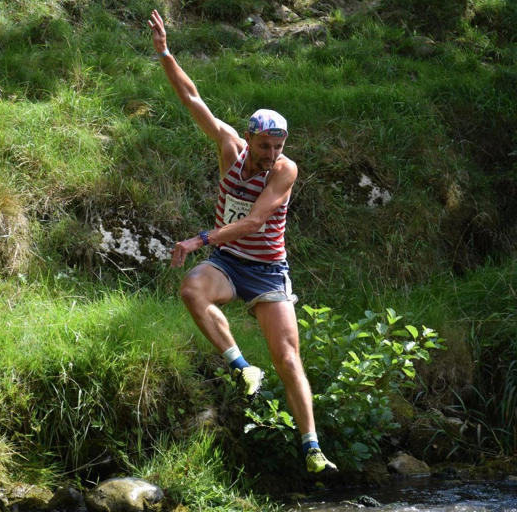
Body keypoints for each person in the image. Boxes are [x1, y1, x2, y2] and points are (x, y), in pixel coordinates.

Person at [148, 10, 337, 475]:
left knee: (289, 358)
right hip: (229, 263)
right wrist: (165, 53)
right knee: (192, 289)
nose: (272, 155)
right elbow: (193, 99)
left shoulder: (285, 171)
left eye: (279, 146)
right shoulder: (230, 148)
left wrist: (198, 238)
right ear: (248, 138)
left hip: (268, 270)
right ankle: (240, 367)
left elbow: (254, 222)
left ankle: (312, 446)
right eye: (265, 146)